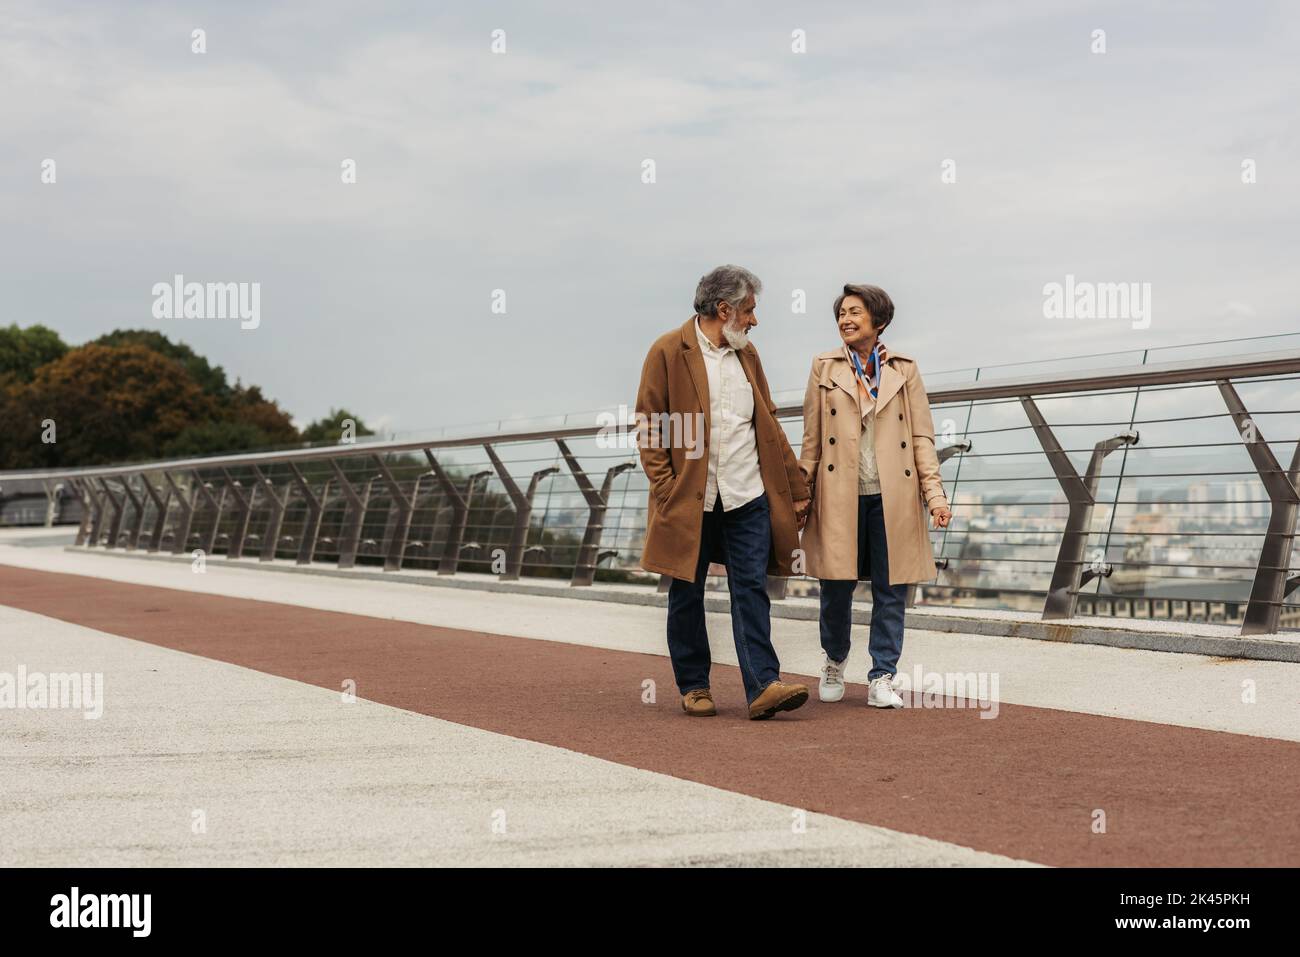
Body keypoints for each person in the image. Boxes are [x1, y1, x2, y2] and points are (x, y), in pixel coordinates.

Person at [636, 264, 813, 720]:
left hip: (747, 494)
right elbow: (650, 427)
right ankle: (694, 685)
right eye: (750, 311)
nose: (754, 320)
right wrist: (666, 488)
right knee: (687, 590)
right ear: (724, 309)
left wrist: (795, 487)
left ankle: (763, 685)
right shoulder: (668, 351)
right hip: (691, 498)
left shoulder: (747, 356)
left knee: (751, 589)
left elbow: (769, 423)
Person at [798, 284, 952, 708]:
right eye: (842, 313)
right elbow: (811, 439)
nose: (846, 320)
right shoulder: (823, 367)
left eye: (855, 313)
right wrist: (801, 494)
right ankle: (833, 660)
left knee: (891, 589)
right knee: (835, 588)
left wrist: (935, 496)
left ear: (878, 321)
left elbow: (921, 436)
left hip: (893, 495)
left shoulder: (905, 369)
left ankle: (883, 674)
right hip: (838, 494)